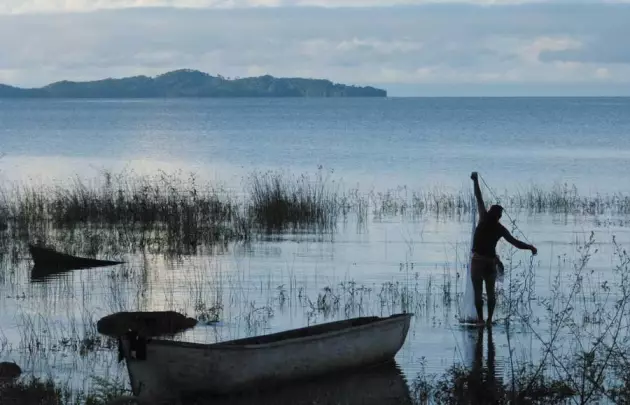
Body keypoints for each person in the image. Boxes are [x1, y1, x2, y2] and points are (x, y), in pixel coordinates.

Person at [470, 172, 537, 325]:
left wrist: (475, 180)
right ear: (499, 217)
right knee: (491, 293)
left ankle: (480, 320)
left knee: (478, 293)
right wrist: (530, 247)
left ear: (490, 212)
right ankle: (489, 320)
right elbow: (516, 243)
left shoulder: (482, 218)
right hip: (490, 262)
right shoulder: (500, 229)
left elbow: (478, 196)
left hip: (478, 261)